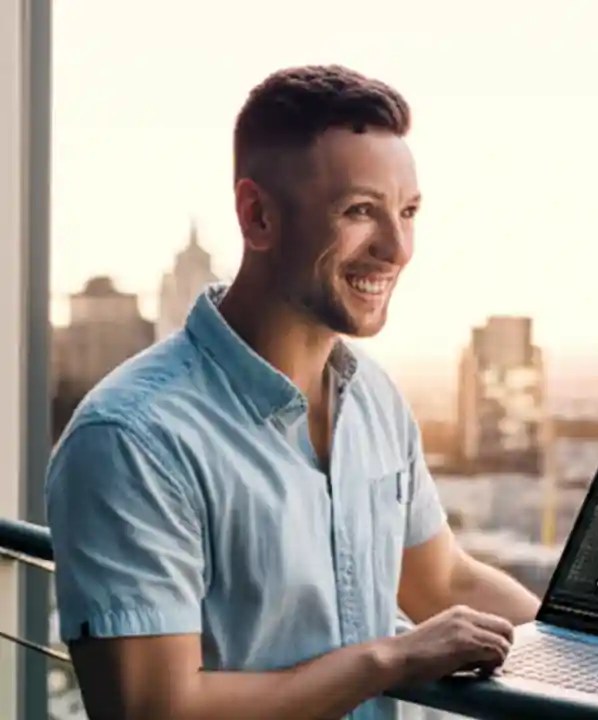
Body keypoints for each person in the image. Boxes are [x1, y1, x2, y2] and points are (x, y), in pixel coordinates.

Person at [45, 65, 540, 720]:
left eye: (408, 211)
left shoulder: (374, 401)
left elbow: (442, 581)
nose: (397, 247)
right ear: (258, 216)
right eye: (360, 211)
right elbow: (154, 708)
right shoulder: (133, 437)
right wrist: (390, 659)